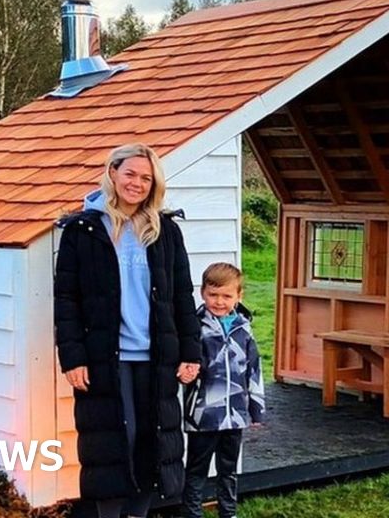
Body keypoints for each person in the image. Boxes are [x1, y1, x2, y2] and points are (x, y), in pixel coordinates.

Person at [54, 143, 201, 518]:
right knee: (114, 443)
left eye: (146, 178)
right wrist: (72, 357)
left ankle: (138, 514)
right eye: (130, 174)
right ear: (113, 173)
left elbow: (182, 296)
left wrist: (191, 352)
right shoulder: (83, 230)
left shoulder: (166, 231)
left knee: (151, 442)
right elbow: (67, 299)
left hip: (157, 357)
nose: (137, 183)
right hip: (105, 357)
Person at [181, 263, 265, 518]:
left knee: (228, 469)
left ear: (239, 296)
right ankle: (192, 513)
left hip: (235, 415)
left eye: (226, 296)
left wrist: (256, 409)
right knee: (196, 468)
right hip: (203, 415)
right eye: (213, 295)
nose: (219, 302)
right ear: (203, 293)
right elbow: (185, 363)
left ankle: (228, 512)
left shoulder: (244, 327)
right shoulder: (194, 326)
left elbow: (254, 369)